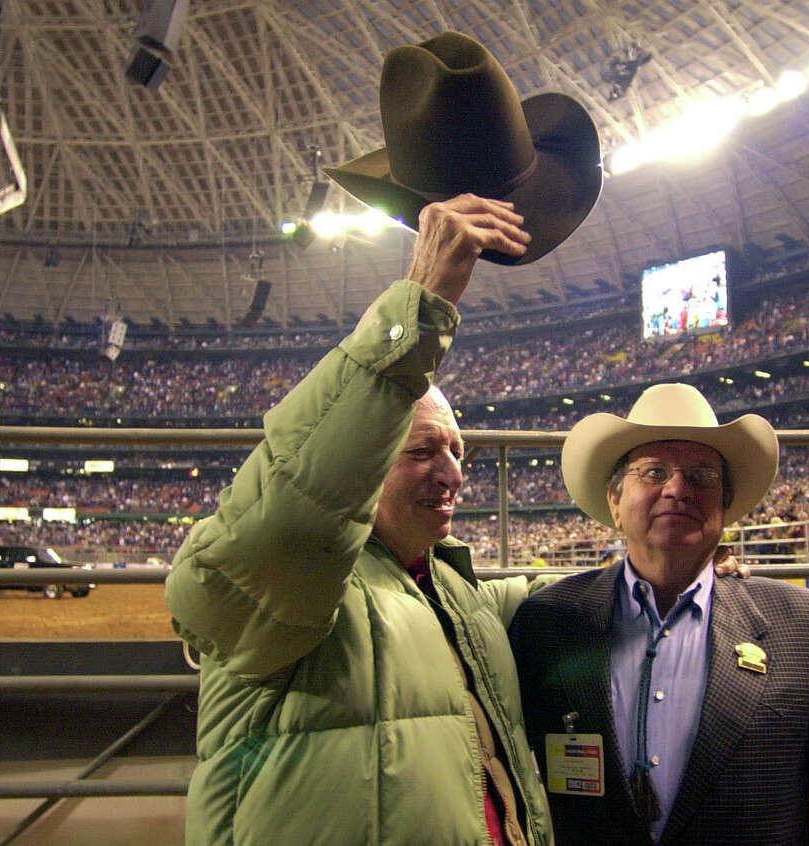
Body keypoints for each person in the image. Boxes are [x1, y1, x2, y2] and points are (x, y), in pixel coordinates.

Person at [166, 30, 602, 845]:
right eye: (422, 450)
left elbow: (558, 598)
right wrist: (419, 305)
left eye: (459, 451)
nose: (452, 472)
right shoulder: (297, 590)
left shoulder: (455, 592)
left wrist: (665, 566)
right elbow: (287, 520)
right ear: (367, 456)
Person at [508, 383, 809, 845]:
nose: (677, 489)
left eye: (702, 476)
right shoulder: (546, 622)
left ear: (725, 507)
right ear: (614, 502)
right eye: (654, 472)